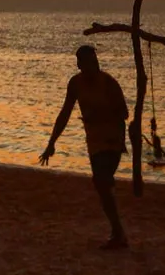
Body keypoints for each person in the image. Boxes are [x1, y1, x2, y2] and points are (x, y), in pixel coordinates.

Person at [39, 44, 130, 249]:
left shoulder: (108, 82)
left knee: (102, 181)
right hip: (94, 141)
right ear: (80, 64)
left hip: (112, 139)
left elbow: (124, 113)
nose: (92, 66)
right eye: (87, 63)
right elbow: (65, 113)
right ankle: (118, 232)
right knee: (102, 184)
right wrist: (51, 142)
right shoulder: (76, 83)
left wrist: (99, 115)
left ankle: (118, 233)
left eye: (94, 62)